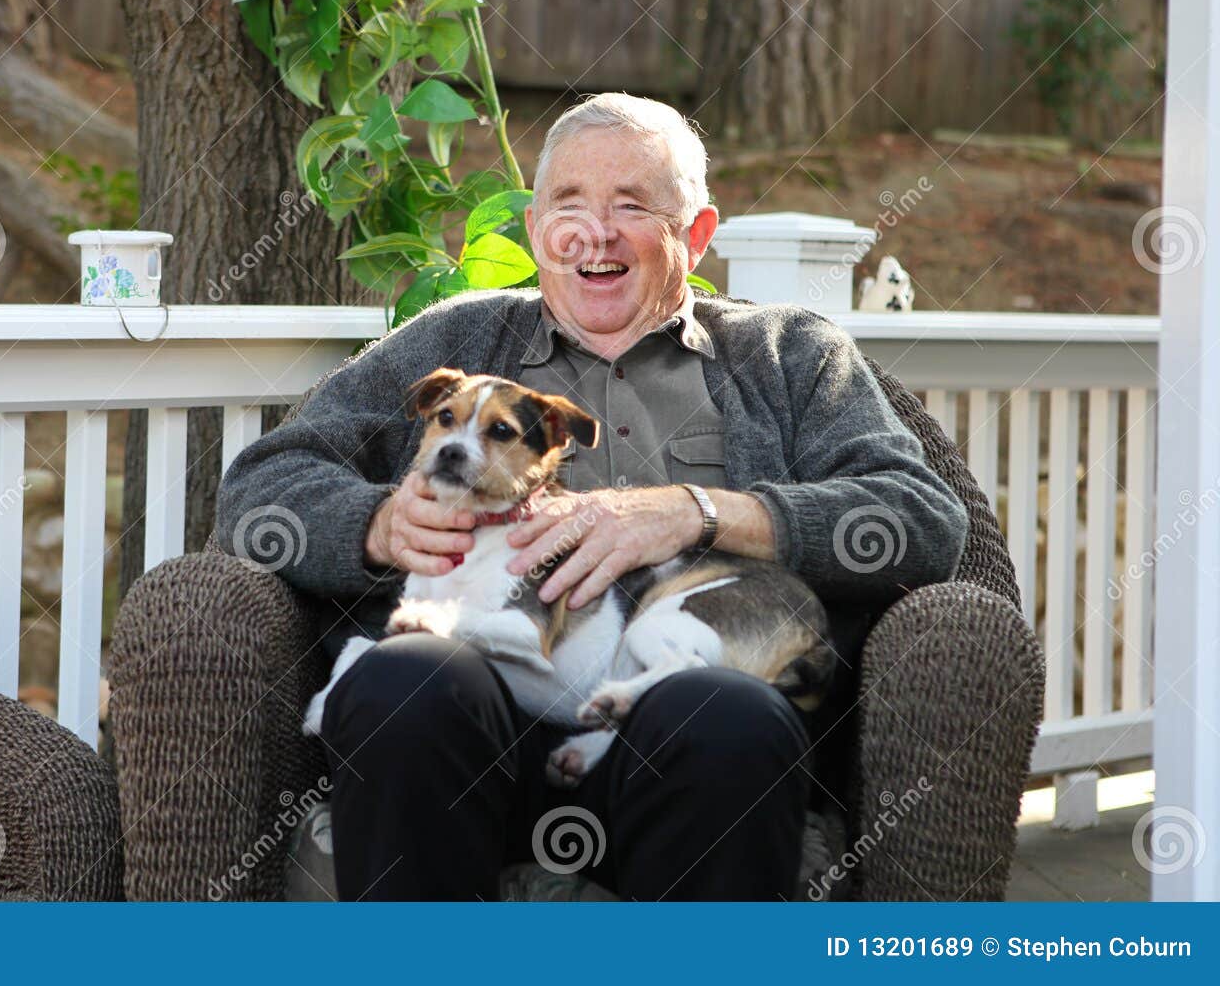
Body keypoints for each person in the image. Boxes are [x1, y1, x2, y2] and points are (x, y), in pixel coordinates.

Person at [217, 93, 968, 900]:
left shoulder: (789, 356)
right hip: (469, 733)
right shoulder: (454, 344)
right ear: (538, 229)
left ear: (697, 233)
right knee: (406, 679)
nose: (595, 234)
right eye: (569, 205)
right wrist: (377, 524)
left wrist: (699, 511)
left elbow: (923, 521)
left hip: (680, 738)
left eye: (632, 205)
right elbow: (258, 491)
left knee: (727, 716)